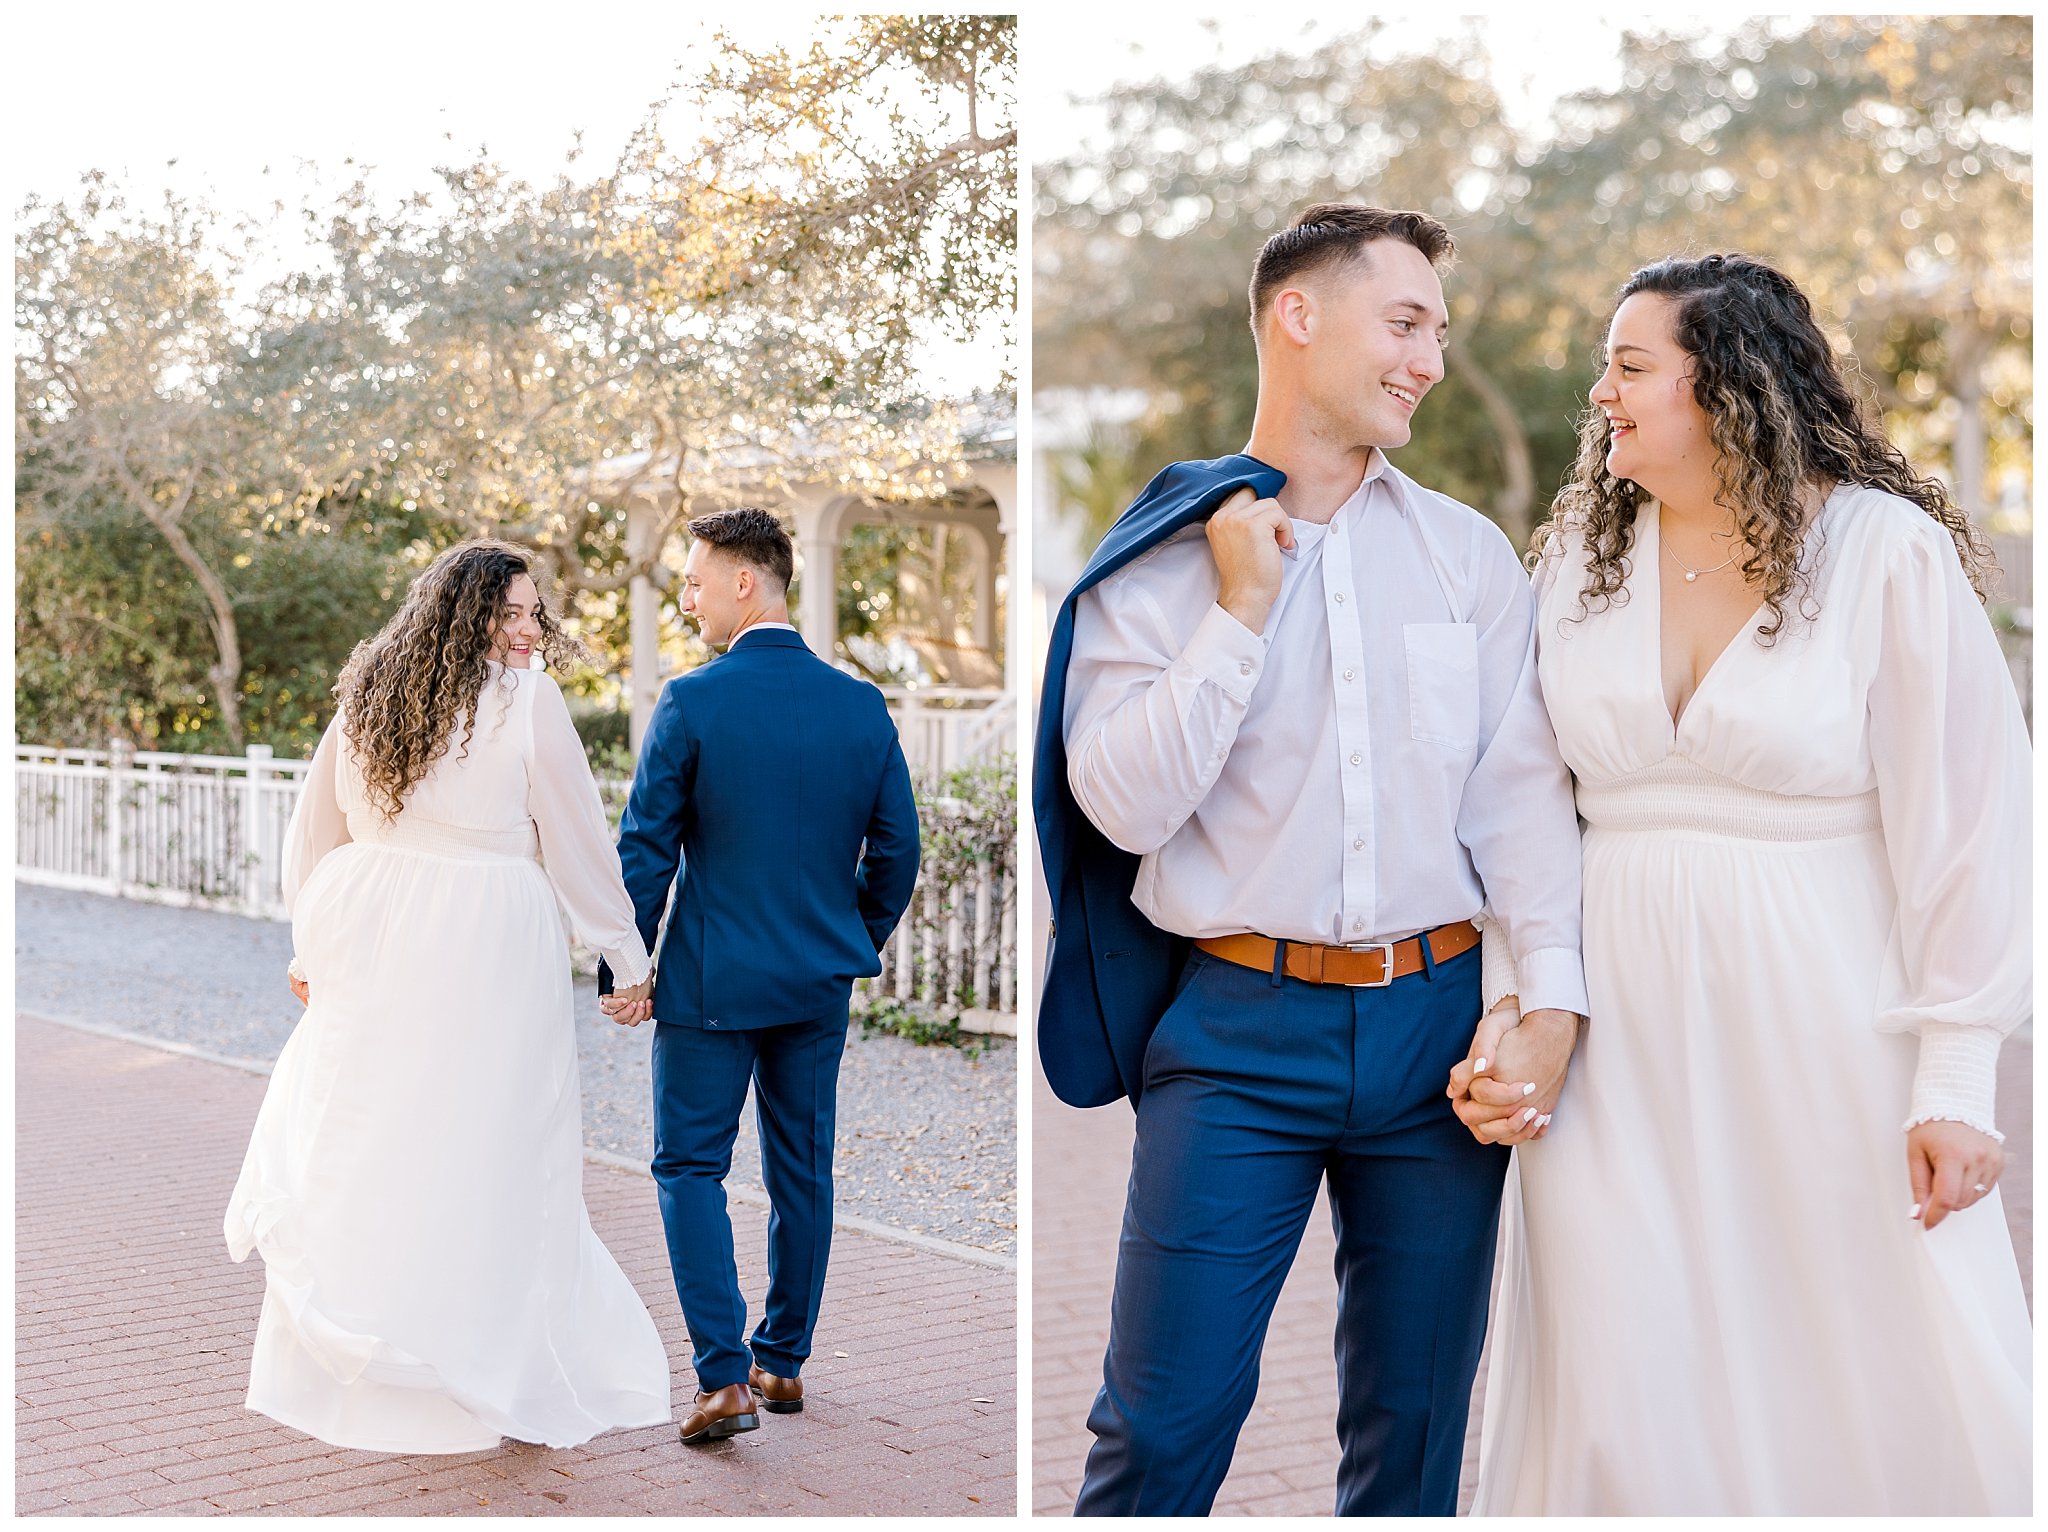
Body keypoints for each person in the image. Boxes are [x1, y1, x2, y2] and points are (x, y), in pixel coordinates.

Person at [1035, 203, 1589, 1516]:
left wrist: (1553, 999)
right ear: (1300, 316)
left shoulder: (1464, 556)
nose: (1429, 361)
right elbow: (1120, 806)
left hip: (1435, 1038)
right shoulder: (1160, 561)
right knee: (1163, 1426)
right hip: (1234, 1037)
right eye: (1404, 323)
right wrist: (1239, 608)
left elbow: (1518, 802)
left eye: (1437, 332)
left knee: (1413, 1432)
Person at [1462, 253, 2032, 1515]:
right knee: (1620, 1350)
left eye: (1628, 364)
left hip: (1824, 1019)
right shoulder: (1574, 554)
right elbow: (1515, 802)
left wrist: (1951, 1076)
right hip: (1612, 1036)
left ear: (1724, 386)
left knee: (1846, 1338)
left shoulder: (1878, 549)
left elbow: (1971, 819)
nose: (1599, 393)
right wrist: (1520, 1002)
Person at [223, 539, 669, 1454]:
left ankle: (414, 1338)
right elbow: (579, 842)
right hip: (479, 933)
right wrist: (625, 957)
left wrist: (311, 933)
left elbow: (319, 830)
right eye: (509, 613)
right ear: (463, 615)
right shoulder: (525, 704)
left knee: (389, 1128)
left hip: (377, 915)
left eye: (533, 613)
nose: (527, 630)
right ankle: (466, 1354)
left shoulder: (375, 690)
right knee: (482, 1137)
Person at [596, 508, 920, 1447]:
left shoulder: (693, 702)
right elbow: (897, 852)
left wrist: (627, 966)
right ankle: (782, 1360)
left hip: (708, 986)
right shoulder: (860, 706)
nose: (686, 597)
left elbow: (645, 848)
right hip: (817, 986)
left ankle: (722, 1378)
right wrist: (846, 937)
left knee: (691, 1168)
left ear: (748, 582)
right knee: (801, 1172)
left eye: (695, 580)